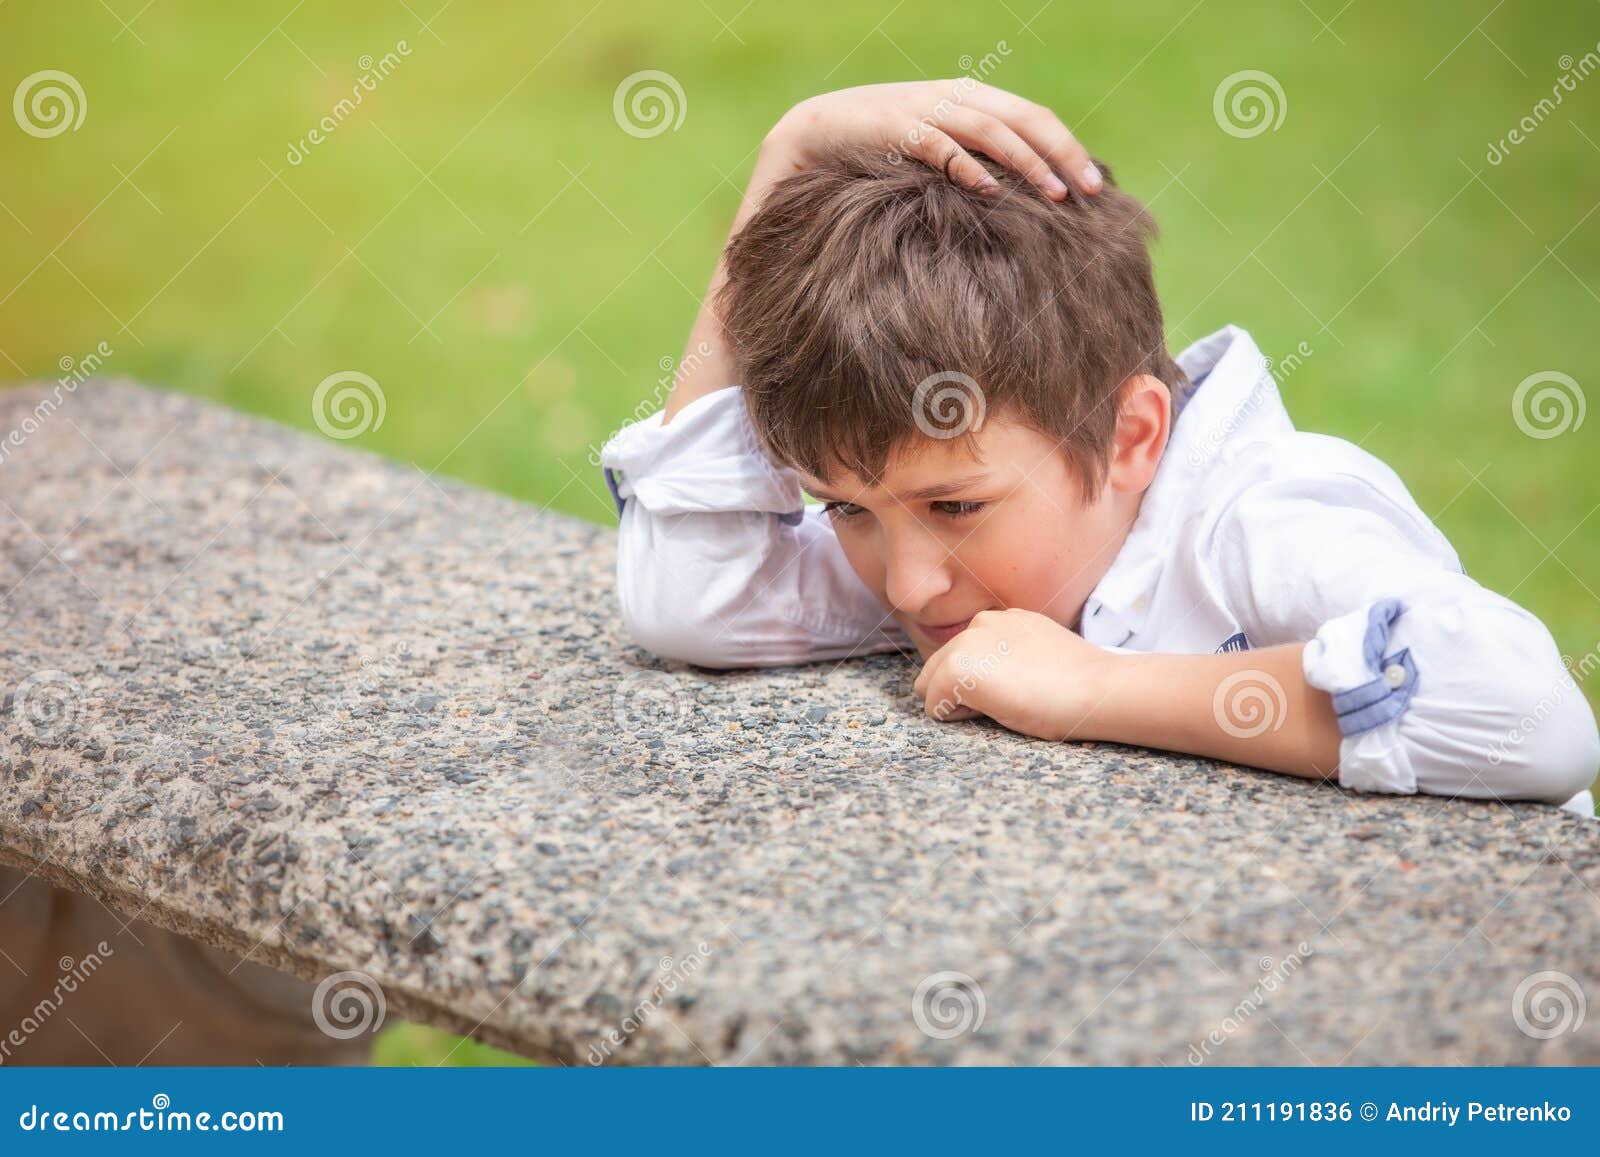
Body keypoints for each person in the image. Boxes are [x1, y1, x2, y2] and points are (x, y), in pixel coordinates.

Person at [599, 81, 1599, 816]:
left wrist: (1096, 689)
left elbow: (1537, 720)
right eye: (845, 509)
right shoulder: (956, 549)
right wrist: (788, 156)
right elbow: (693, 600)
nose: (903, 586)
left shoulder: (1265, 514)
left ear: (1132, 435)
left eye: (956, 507)